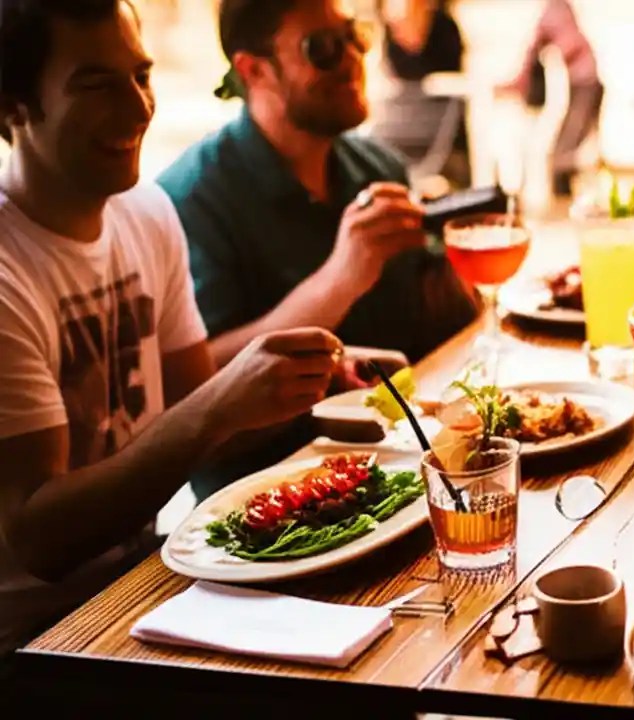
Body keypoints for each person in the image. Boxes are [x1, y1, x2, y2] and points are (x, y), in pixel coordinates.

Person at [0, 0, 341, 655]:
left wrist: (305, 383)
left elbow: (201, 430)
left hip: (145, 584)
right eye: (97, 85)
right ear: (13, 107)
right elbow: (39, 540)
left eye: (141, 75)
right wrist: (220, 403)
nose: (137, 109)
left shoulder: (145, 211)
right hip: (35, 638)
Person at [157, 0, 478, 498]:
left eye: (354, 37)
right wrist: (341, 278)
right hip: (268, 514)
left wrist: (453, 262)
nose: (353, 57)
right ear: (254, 70)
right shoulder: (190, 200)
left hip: (411, 481)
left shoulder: (379, 168)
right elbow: (197, 393)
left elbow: (441, 338)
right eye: (324, 48)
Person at [498, 0, 601, 198]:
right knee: (567, 151)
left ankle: (567, 207)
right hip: (587, 82)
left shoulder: (554, 11)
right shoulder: (557, 9)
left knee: (563, 156)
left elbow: (536, 50)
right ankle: (569, 202)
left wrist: (515, 85)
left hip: (586, 83)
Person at [372, 0, 470, 188]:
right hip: (405, 125)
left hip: (442, 125)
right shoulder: (389, 34)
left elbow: (453, 80)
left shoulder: (444, 28)